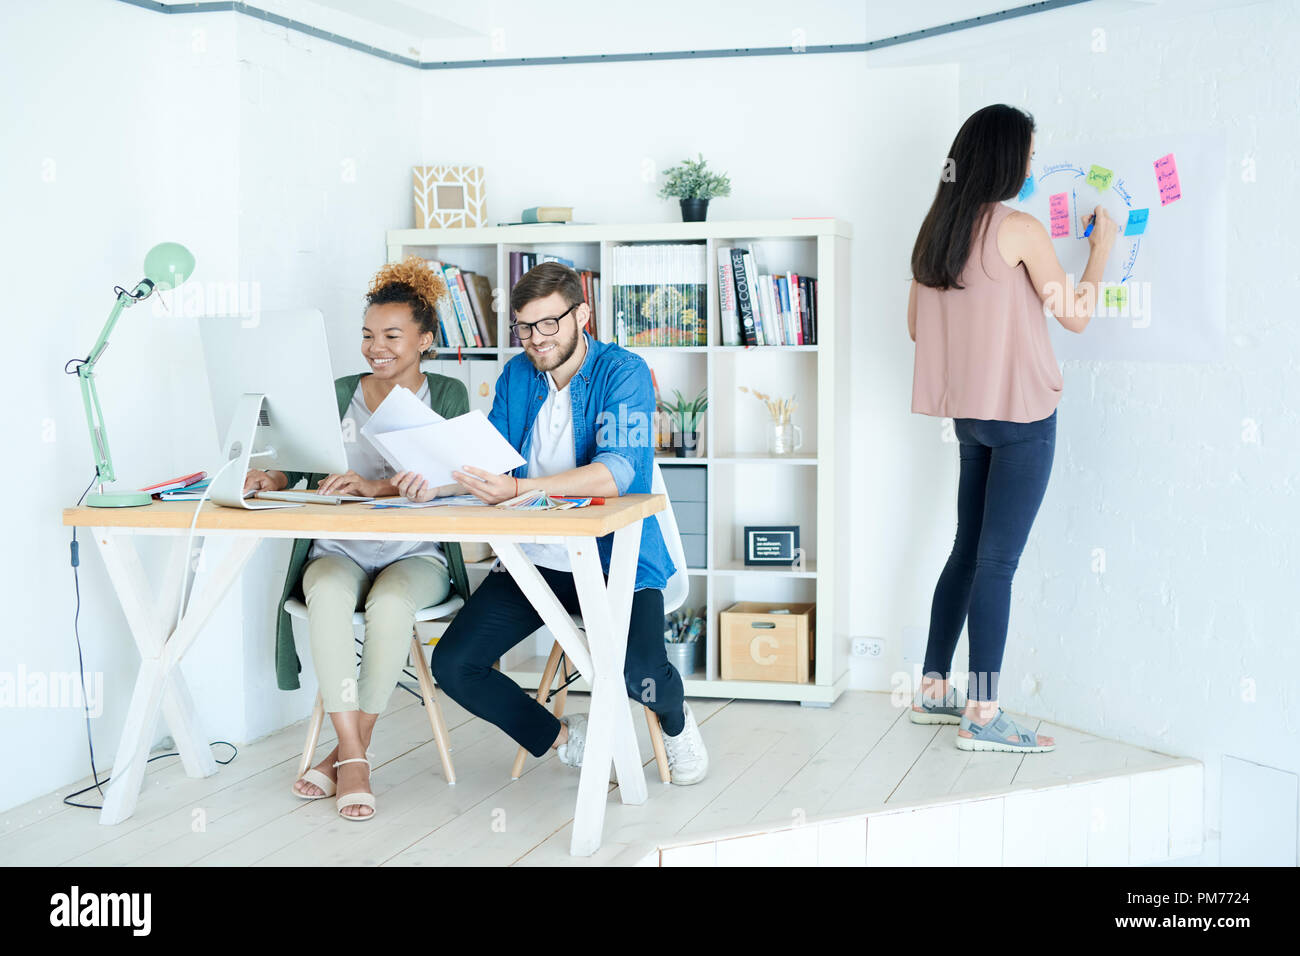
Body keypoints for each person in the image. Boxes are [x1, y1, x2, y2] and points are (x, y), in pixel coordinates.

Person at [395, 261, 710, 785]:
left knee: (641, 676)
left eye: (549, 324)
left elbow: (618, 472)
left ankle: (676, 725)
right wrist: (435, 481)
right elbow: (486, 458)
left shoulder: (622, 372)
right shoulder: (518, 374)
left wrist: (520, 490)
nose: (536, 339)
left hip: (617, 562)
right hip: (535, 562)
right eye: (524, 327)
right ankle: (566, 738)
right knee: (455, 666)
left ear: (581, 314)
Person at [907, 104, 1117, 753]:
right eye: (1028, 154)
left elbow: (918, 328)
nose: (1031, 165)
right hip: (1024, 416)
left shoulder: (937, 231)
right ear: (1004, 157)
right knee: (996, 564)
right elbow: (1077, 316)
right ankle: (983, 713)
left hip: (971, 418)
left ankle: (934, 690)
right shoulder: (1018, 229)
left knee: (968, 552)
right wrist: (1100, 249)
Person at [247, 257, 473, 820]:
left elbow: (458, 479)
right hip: (340, 546)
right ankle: (355, 755)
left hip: (414, 552)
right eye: (369, 335)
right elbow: (302, 464)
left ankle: (347, 754)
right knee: (324, 592)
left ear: (425, 339)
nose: (377, 347)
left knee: (391, 604)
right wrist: (270, 476)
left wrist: (377, 486)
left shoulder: (447, 395)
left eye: (393, 336)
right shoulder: (340, 390)